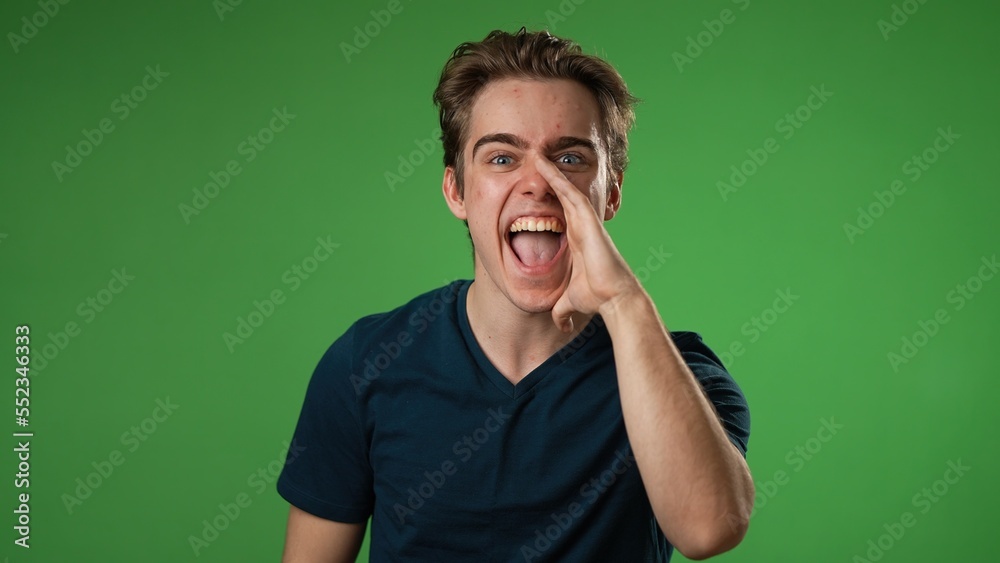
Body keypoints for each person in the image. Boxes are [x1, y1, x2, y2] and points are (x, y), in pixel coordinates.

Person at [277, 28, 754, 562]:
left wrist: (623, 301)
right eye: (502, 158)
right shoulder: (364, 364)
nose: (539, 183)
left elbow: (710, 530)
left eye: (570, 159)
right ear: (457, 190)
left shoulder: (682, 375)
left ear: (611, 192)